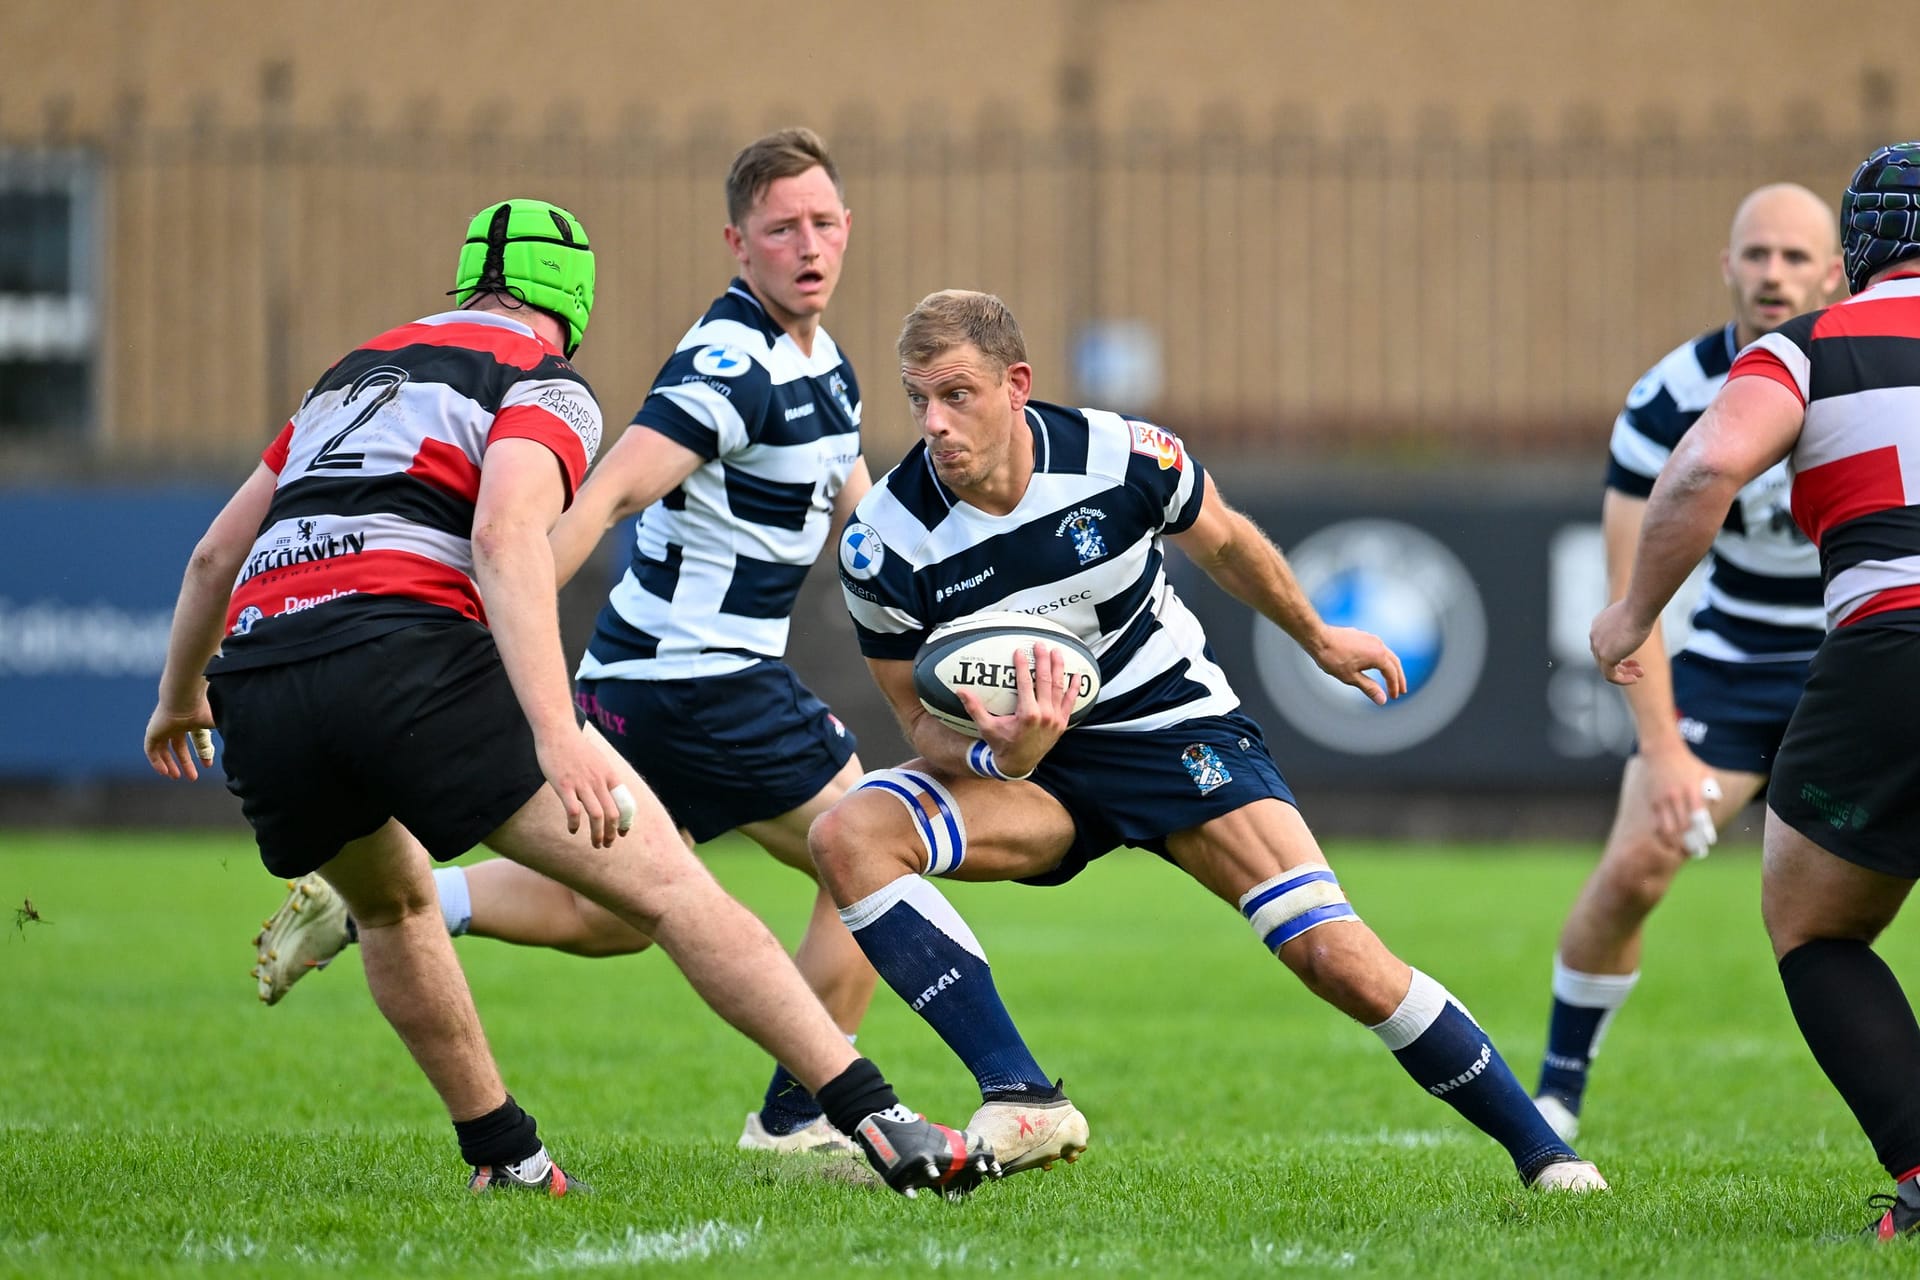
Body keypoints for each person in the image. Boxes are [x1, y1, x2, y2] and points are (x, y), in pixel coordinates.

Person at [147, 198, 994, 1197]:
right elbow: (504, 539)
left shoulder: (349, 376)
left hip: (259, 676)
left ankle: (505, 1153)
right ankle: (874, 1118)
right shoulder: (542, 379)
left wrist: (178, 697)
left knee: (391, 905)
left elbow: (214, 553)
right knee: (673, 890)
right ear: (575, 301)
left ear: (468, 279)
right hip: (410, 655)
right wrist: (559, 734)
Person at [807, 288, 1607, 1190]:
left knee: (1336, 956)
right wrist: (999, 756)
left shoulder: (1123, 458)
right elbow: (916, 719)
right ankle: (1022, 1093)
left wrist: (1319, 635)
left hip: (1170, 729)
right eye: (917, 399)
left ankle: (1547, 1156)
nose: (935, 424)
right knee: (849, 835)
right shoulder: (885, 539)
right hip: (1033, 774)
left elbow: (1222, 541)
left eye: (957, 395)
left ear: (1017, 384)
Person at [250, 128, 886, 1155]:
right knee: (874, 844)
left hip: (678, 674)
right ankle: (816, 1111)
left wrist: (945, 602)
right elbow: (607, 494)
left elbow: (865, 531)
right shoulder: (727, 359)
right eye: (783, 227)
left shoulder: (833, 370)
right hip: (697, 672)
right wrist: (515, 612)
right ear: (739, 241)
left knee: (628, 908)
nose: (808, 244)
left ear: (850, 228)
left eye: (823, 222)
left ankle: (408, 899)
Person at [1590, 141, 1920, 1239]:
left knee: (1815, 923)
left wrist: (1634, 615)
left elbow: (1700, 472)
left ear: (1856, 251)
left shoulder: (1810, 348)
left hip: (1888, 649)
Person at [1529, 183, 1844, 1142]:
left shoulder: (1872, 373)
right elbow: (1633, 595)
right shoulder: (1669, 395)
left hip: (1861, 656)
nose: (1775, 274)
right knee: (1637, 865)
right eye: (1758, 255)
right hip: (1735, 658)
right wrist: (1664, 750)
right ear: (1728, 266)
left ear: (1835, 271)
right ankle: (1556, 1094)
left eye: (1796, 258)